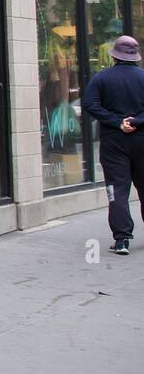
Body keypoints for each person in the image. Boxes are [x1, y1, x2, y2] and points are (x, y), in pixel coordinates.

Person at [82, 35, 144, 255]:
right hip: (141, 139)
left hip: (113, 142)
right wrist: (135, 121)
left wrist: (118, 122)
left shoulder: (102, 78)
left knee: (117, 190)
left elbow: (90, 104)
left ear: (115, 56)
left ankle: (122, 239)